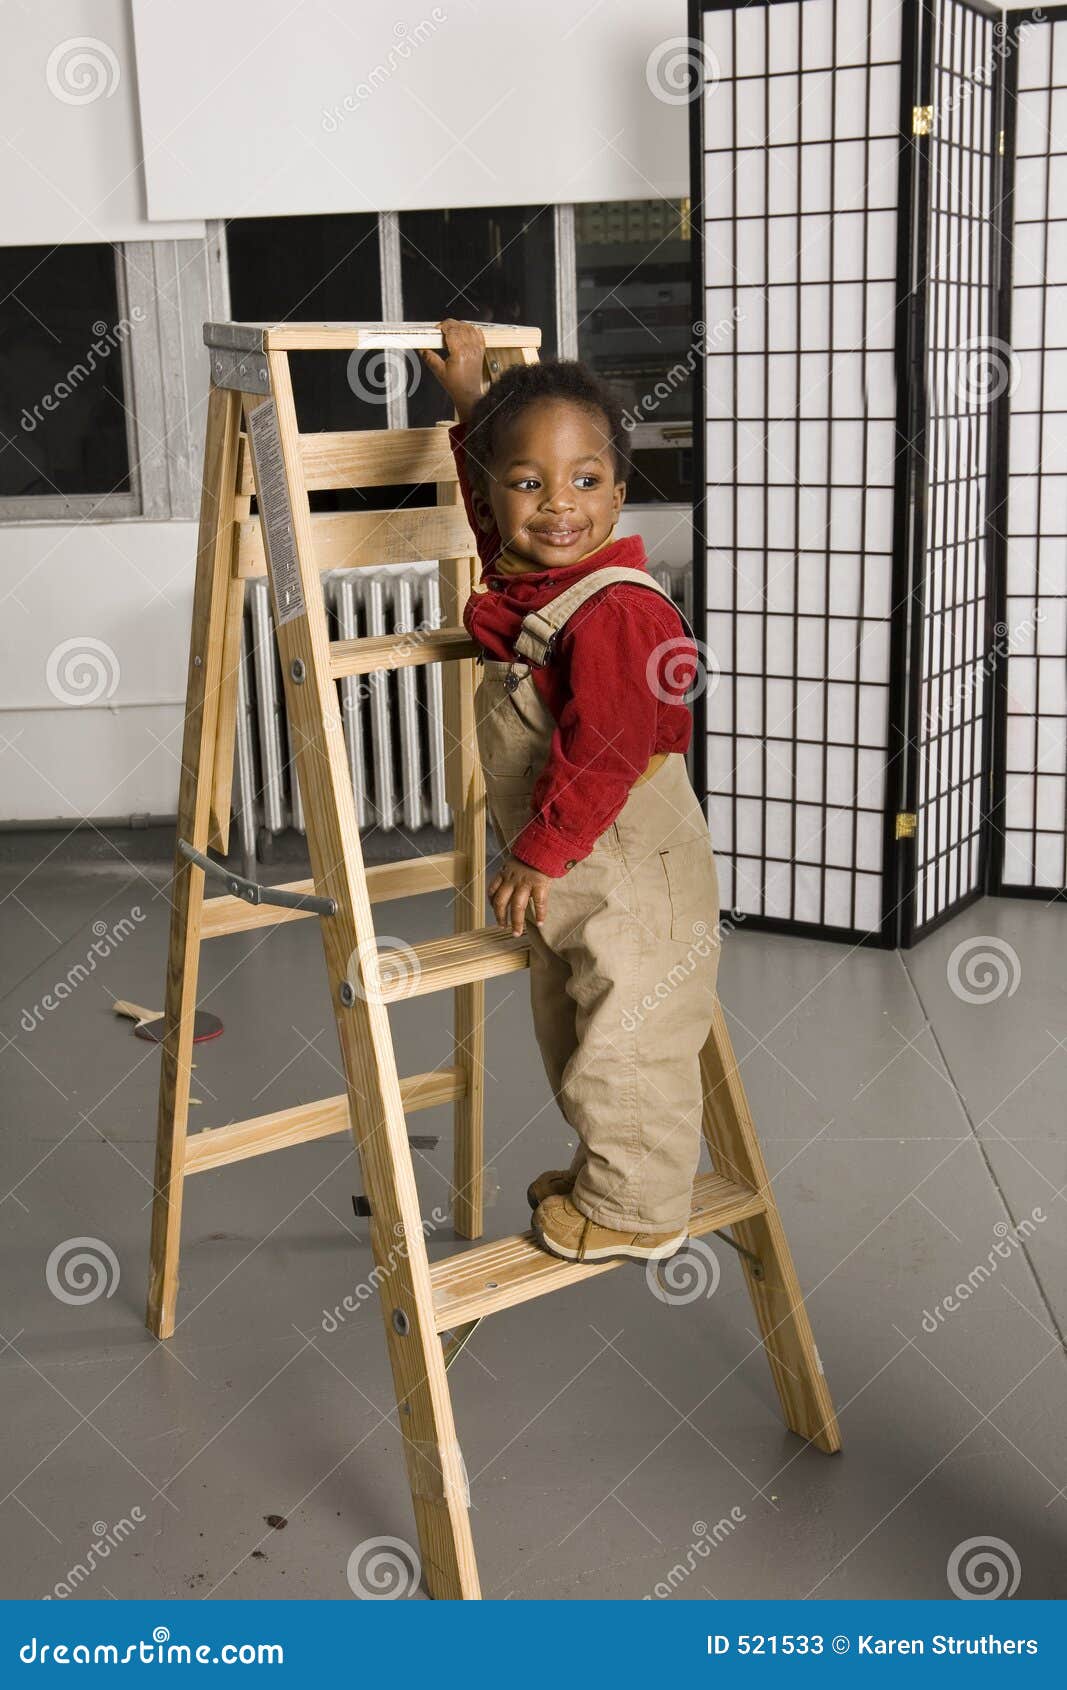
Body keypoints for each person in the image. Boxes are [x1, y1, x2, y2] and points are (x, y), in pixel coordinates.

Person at [420, 319, 720, 1264]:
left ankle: (637, 1212)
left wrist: (539, 850)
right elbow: (491, 517)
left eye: (584, 482)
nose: (558, 506)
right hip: (572, 867)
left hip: (623, 863)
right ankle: (607, 1174)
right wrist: (471, 402)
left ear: (619, 493)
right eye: (529, 482)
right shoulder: (528, 581)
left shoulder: (618, 612)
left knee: (626, 1037)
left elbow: (607, 749)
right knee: (573, 1021)